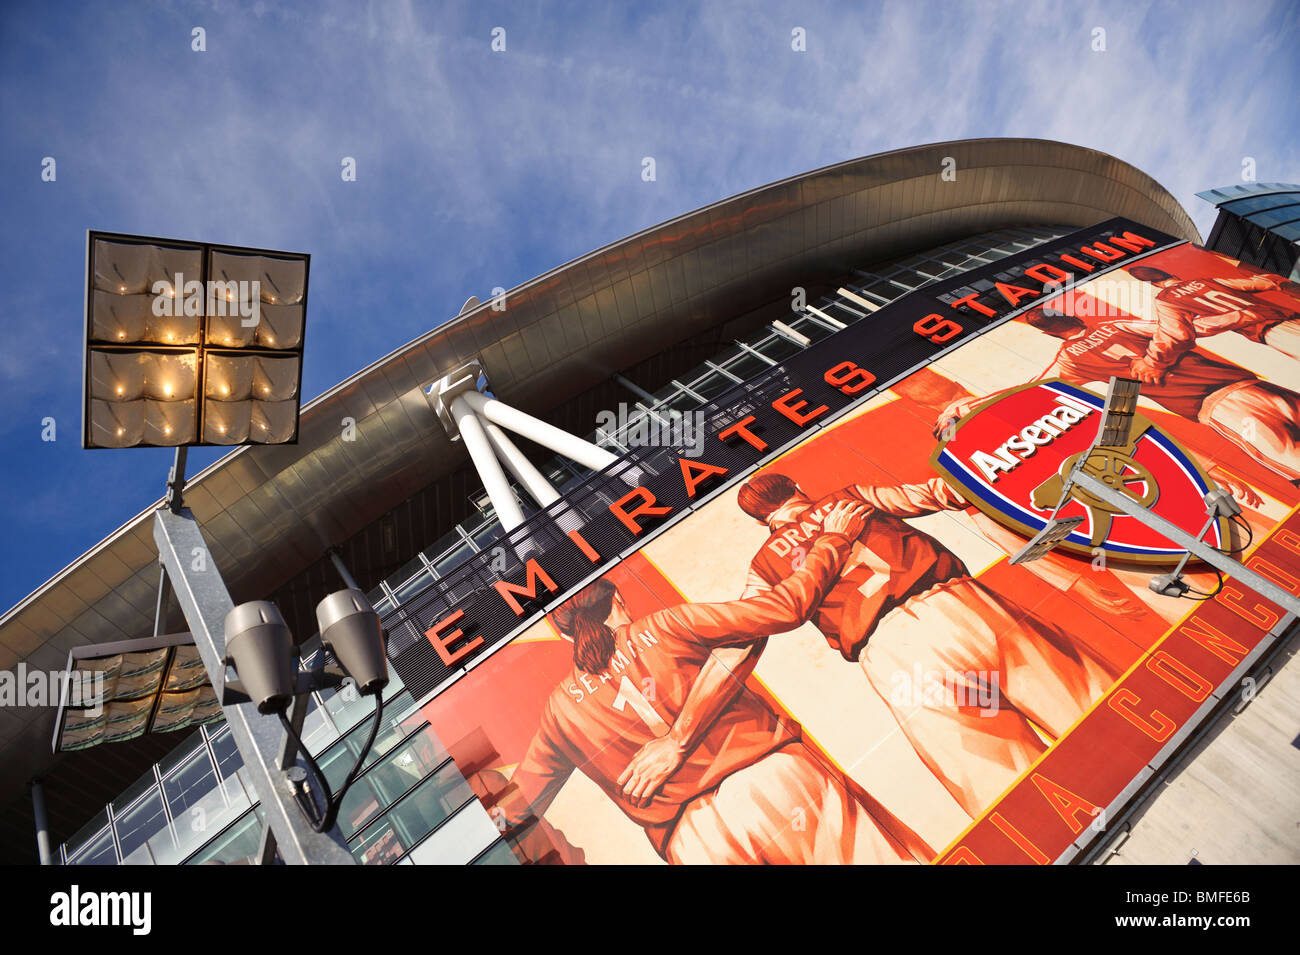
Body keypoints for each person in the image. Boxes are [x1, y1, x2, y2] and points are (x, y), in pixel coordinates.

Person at [621, 474, 1117, 820]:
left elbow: (738, 649)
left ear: (762, 520)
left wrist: (679, 739)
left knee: (1002, 783)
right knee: (1095, 713)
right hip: (958, 604)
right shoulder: (848, 498)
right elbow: (943, 491)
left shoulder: (765, 564)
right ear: (796, 489)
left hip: (894, 655)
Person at [493, 501, 927, 864]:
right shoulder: (665, 625)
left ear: (564, 635)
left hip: (695, 844)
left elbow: (520, 806)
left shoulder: (560, 709)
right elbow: (783, 608)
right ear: (618, 599)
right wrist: (832, 540)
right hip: (771, 781)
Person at [934, 306, 1300, 483]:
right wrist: (1247, 313)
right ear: (1072, 319)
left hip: (1226, 406)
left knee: (1293, 464)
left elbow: (1033, 387)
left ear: (1050, 333)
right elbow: (1192, 325)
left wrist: (965, 405)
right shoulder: (1116, 325)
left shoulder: (1069, 359)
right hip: (1253, 387)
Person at [1125, 261, 1300, 381]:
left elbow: (1175, 334)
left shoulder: (1166, 299)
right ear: (1171, 274)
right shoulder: (1205, 281)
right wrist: (1284, 284)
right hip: (1289, 317)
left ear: (1153, 284)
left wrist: (1153, 363)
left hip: (1273, 331)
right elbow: (1260, 283)